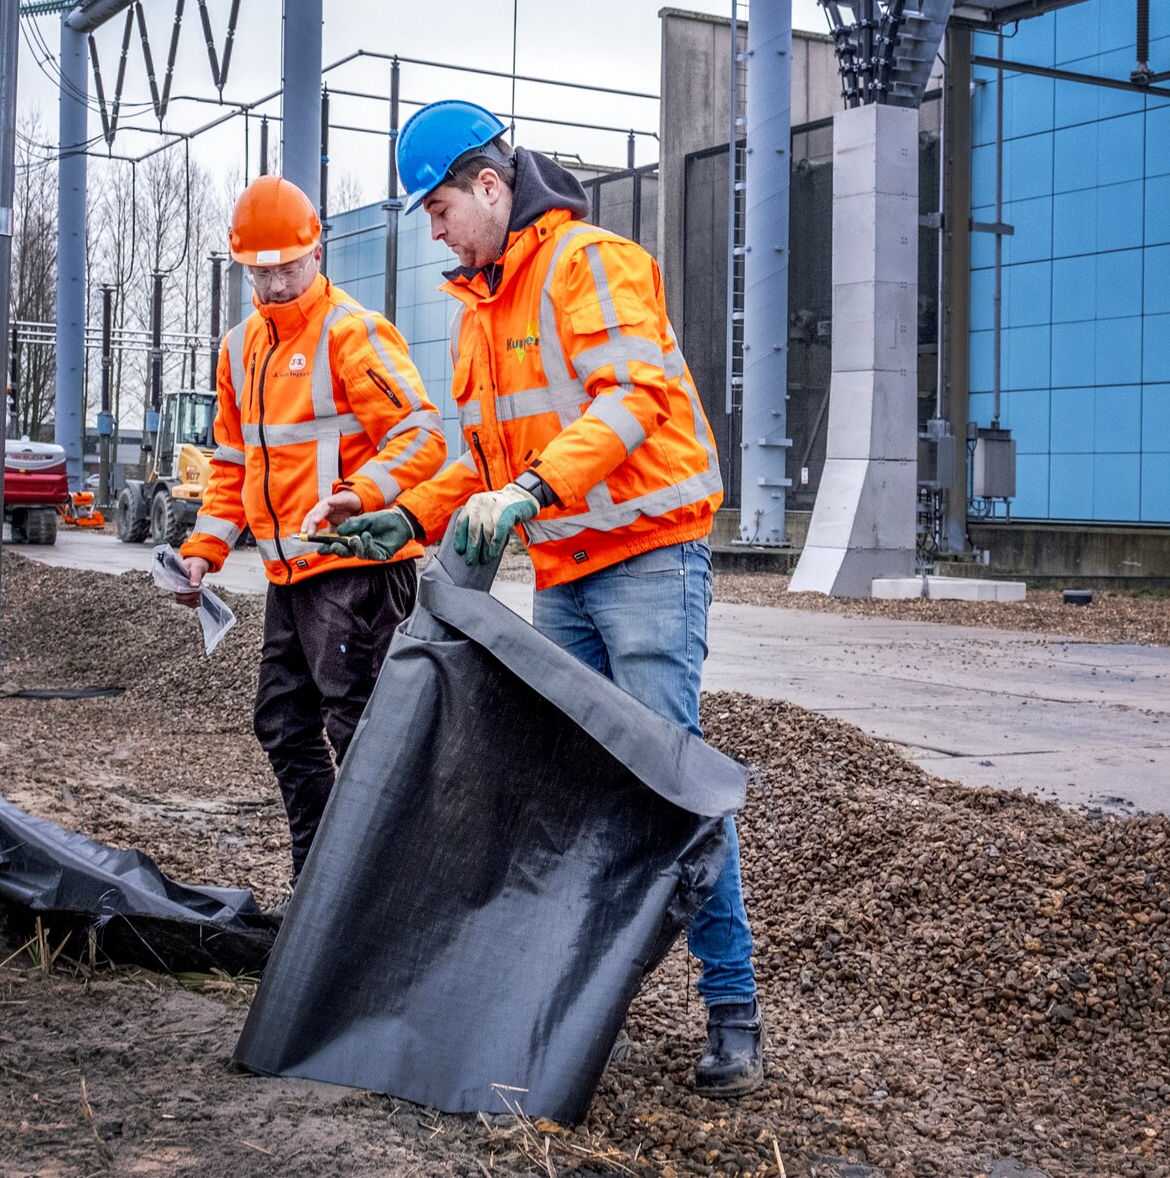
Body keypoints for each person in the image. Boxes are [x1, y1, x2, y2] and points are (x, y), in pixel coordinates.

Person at [313, 100, 763, 1099]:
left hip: (647, 560)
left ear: (488, 186)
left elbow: (630, 400)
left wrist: (527, 492)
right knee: (576, 787)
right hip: (564, 571)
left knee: (671, 781)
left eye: (438, 211)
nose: (434, 233)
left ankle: (731, 1006)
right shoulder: (481, 314)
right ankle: (568, 1004)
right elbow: (485, 468)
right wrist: (407, 518)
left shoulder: (587, 263)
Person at [172, 175, 446, 878]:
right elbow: (231, 464)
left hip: (357, 572)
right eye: (260, 272)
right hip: (290, 577)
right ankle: (320, 876)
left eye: (287, 268)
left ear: (316, 253)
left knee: (362, 733)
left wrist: (360, 495)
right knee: (283, 723)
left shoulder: (353, 333)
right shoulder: (238, 349)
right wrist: (203, 549)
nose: (275, 284)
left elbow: (421, 436)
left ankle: (381, 888)